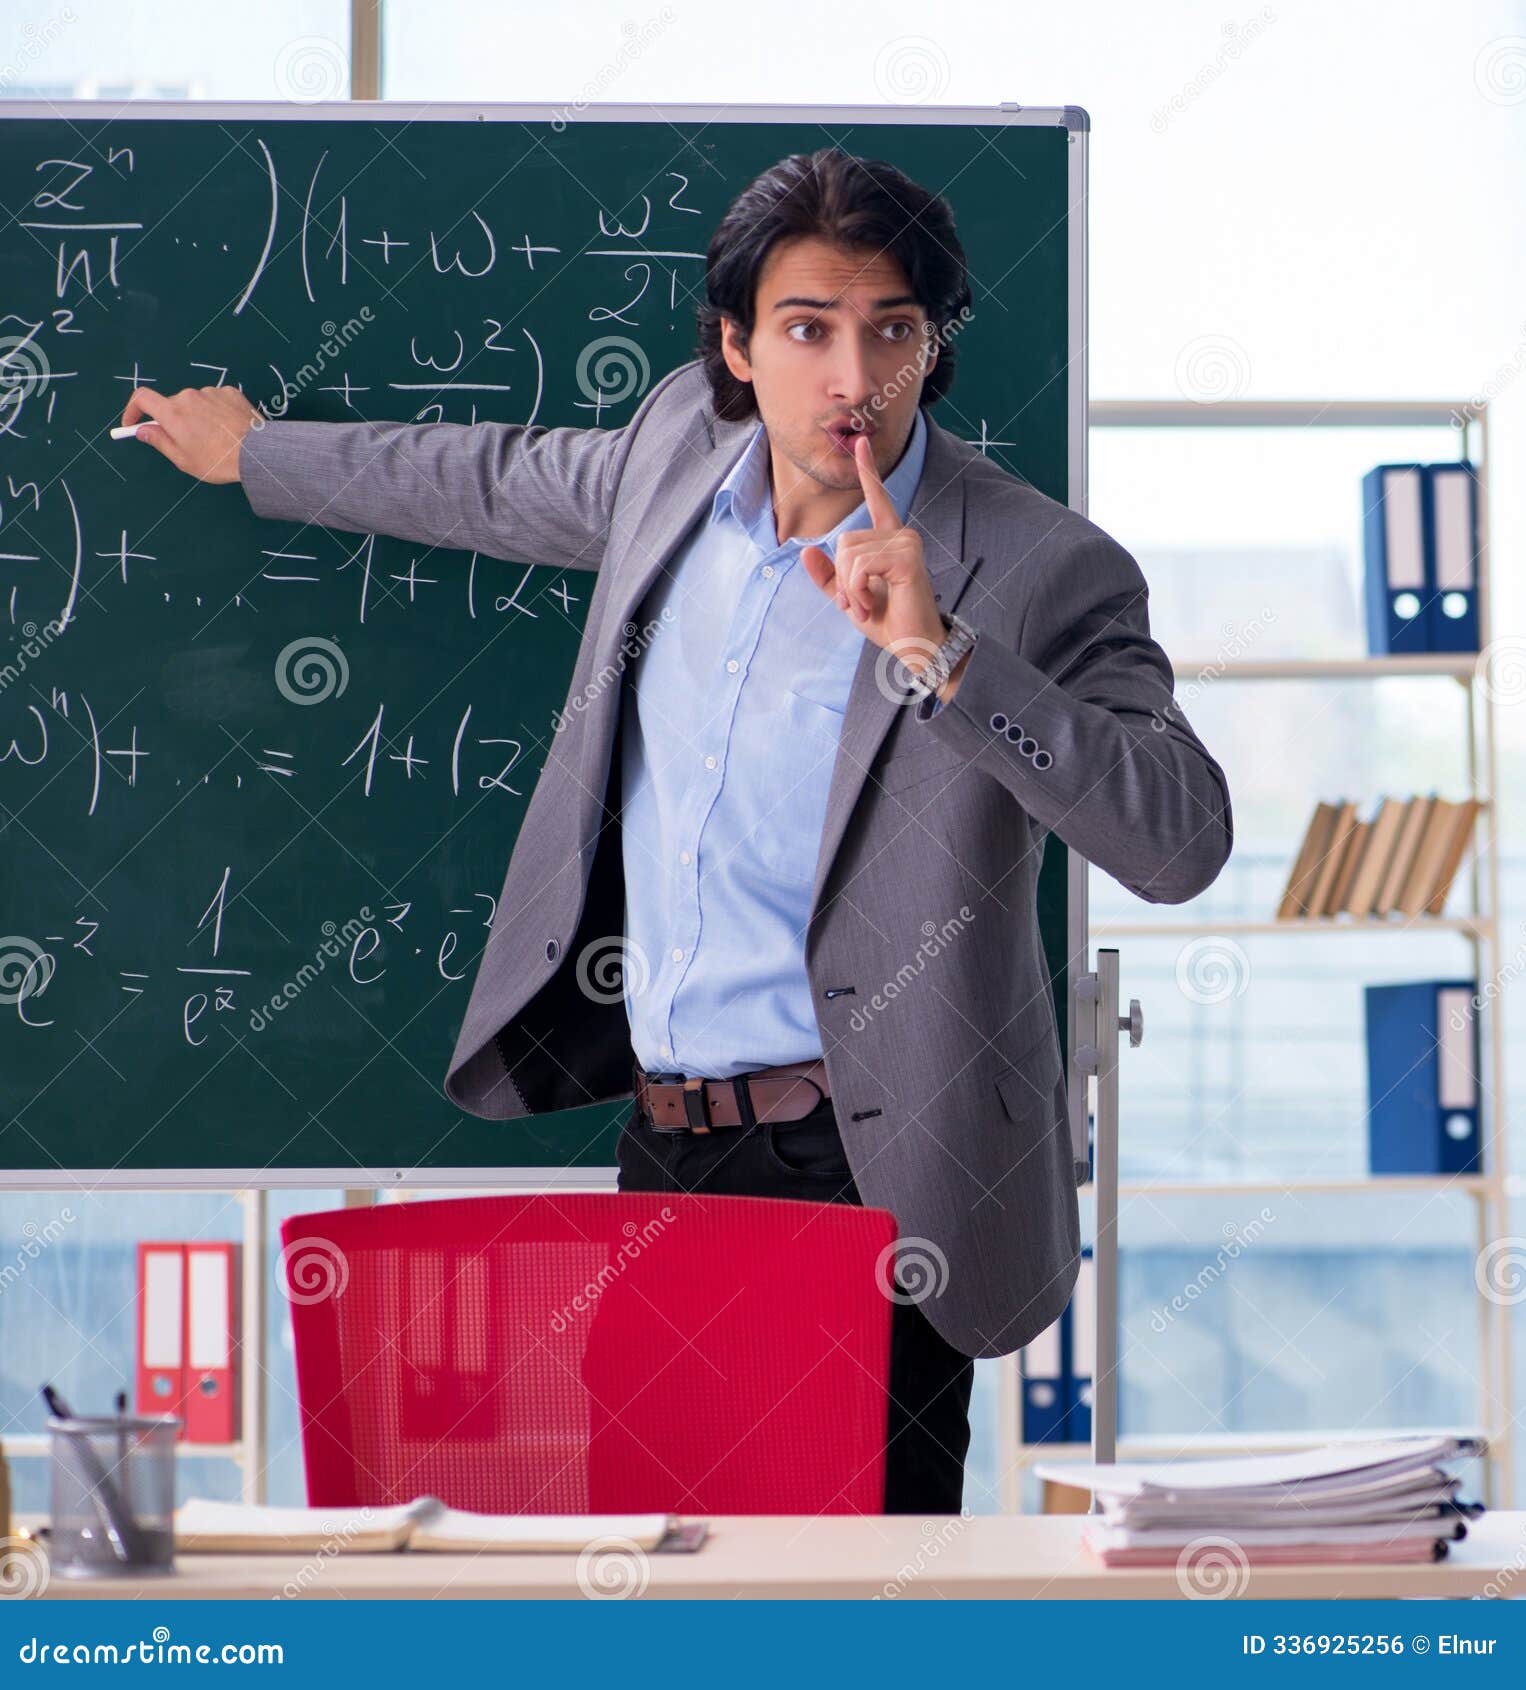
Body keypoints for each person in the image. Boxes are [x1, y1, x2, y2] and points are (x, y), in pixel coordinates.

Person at [121, 146, 1233, 1515]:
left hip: (868, 1165)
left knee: (838, 1610)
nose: (852, 378)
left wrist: (946, 658)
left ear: (932, 347)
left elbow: (1177, 838)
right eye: (807, 329)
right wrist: (257, 456)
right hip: (663, 1145)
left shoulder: (1040, 563)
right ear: (735, 344)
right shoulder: (670, 452)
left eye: (893, 330)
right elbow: (485, 476)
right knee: (654, 1574)